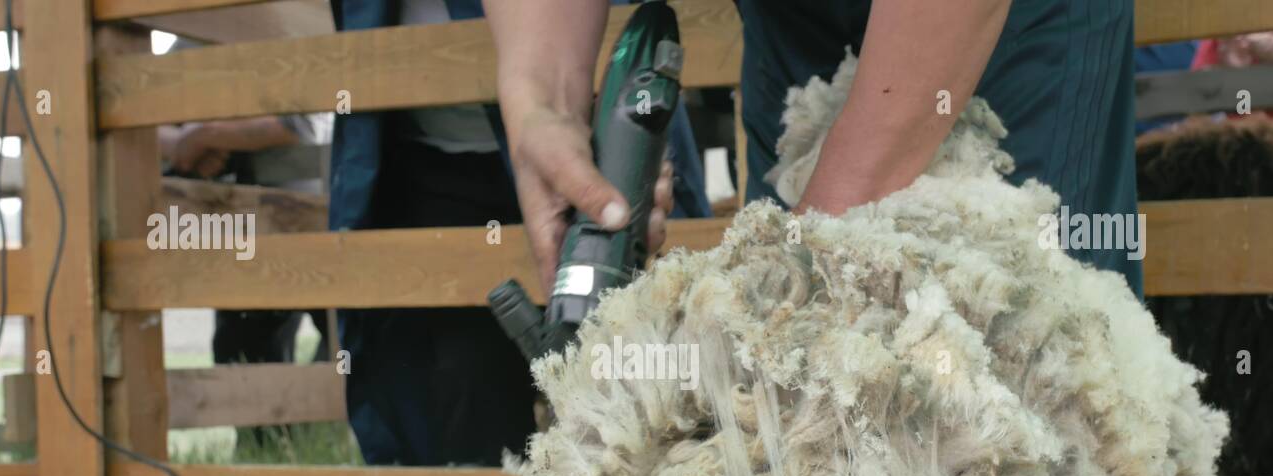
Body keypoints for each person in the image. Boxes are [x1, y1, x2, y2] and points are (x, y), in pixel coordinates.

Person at [329, 0, 710, 476]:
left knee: (657, 378)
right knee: (459, 372)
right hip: (433, 160)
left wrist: (559, 105)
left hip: (585, 128)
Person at [484, 0, 1144, 298]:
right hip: (795, 32)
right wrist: (543, 98)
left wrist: (814, 246)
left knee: (1015, 383)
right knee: (793, 422)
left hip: (1005, 35)